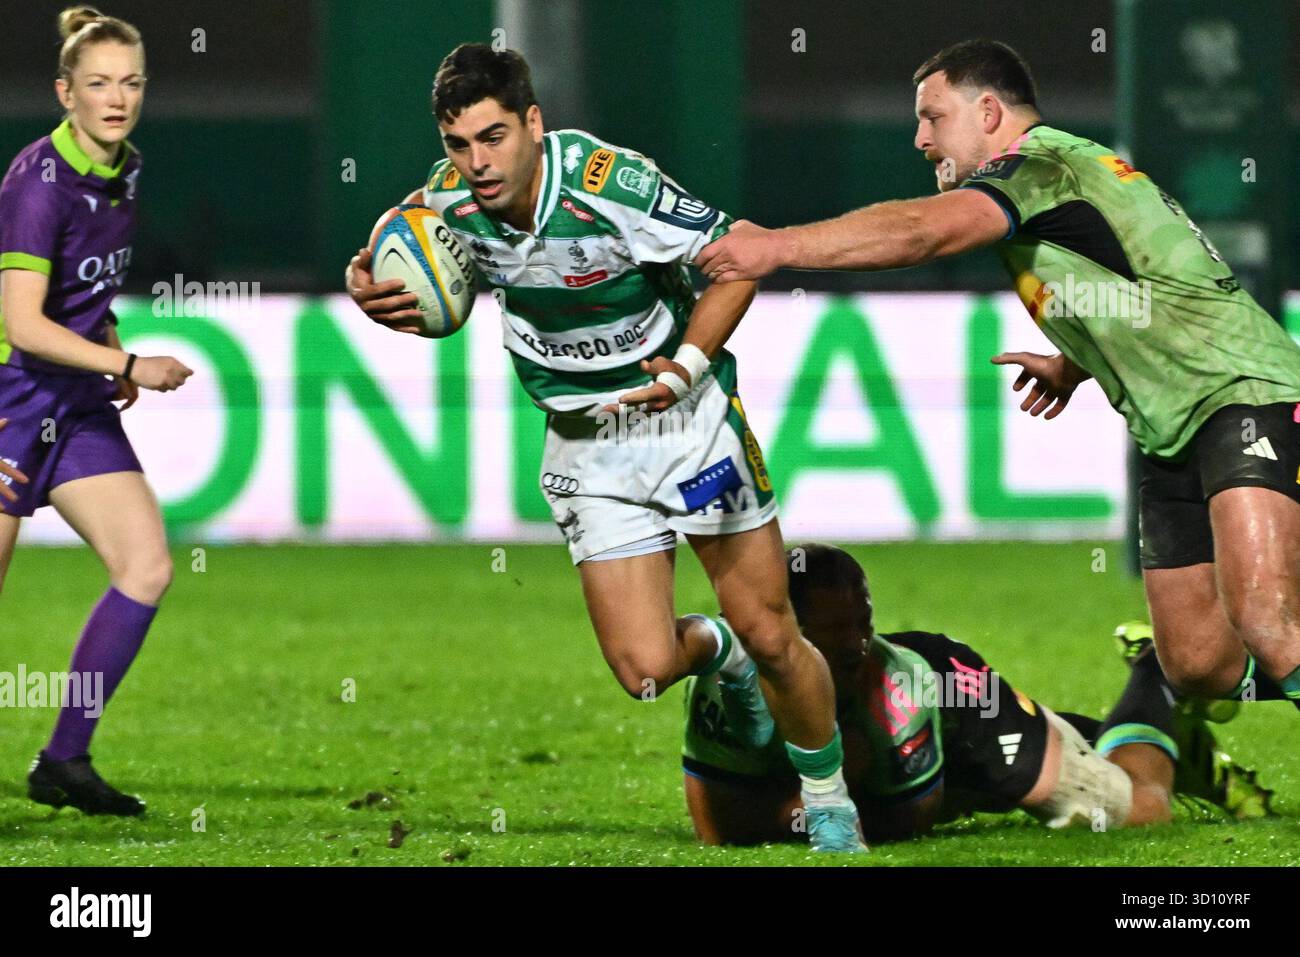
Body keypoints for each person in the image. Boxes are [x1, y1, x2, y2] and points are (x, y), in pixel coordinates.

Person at [344, 43, 865, 850]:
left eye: (493, 138)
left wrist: (688, 366)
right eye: (458, 144)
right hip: (588, 445)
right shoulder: (448, 200)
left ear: (533, 123)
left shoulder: (610, 185)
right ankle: (717, 653)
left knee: (771, 629)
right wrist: (365, 279)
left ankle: (828, 796)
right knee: (646, 670)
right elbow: (398, 234)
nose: (476, 163)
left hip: (686, 424)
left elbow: (738, 259)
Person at [696, 38, 1300, 712]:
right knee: (1197, 666)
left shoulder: (1036, 165)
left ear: (988, 111)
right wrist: (1076, 362)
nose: (922, 140)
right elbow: (1155, 283)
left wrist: (776, 247)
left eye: (934, 117)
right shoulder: (1074, 173)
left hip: (1245, 399)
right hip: (1173, 430)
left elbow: (923, 233)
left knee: (1269, 623)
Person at [680, 544, 1272, 846]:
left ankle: (1154, 675)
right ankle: (1184, 750)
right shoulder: (730, 687)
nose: (858, 647)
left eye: (863, 626)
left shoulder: (902, 685)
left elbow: (911, 817)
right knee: (1067, 740)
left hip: (963, 713)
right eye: (833, 636)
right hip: (908, 762)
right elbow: (712, 825)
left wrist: (786, 811)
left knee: (1141, 812)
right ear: (787, 637)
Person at [0, 6, 193, 816]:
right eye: (99, 84)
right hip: (10, 402)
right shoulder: (35, 185)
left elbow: (78, 291)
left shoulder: (127, 166)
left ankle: (65, 759)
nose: (117, 98)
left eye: (131, 83)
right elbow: (21, 321)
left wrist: (106, 330)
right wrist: (130, 362)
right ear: (64, 92)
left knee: (146, 566)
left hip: (74, 406)